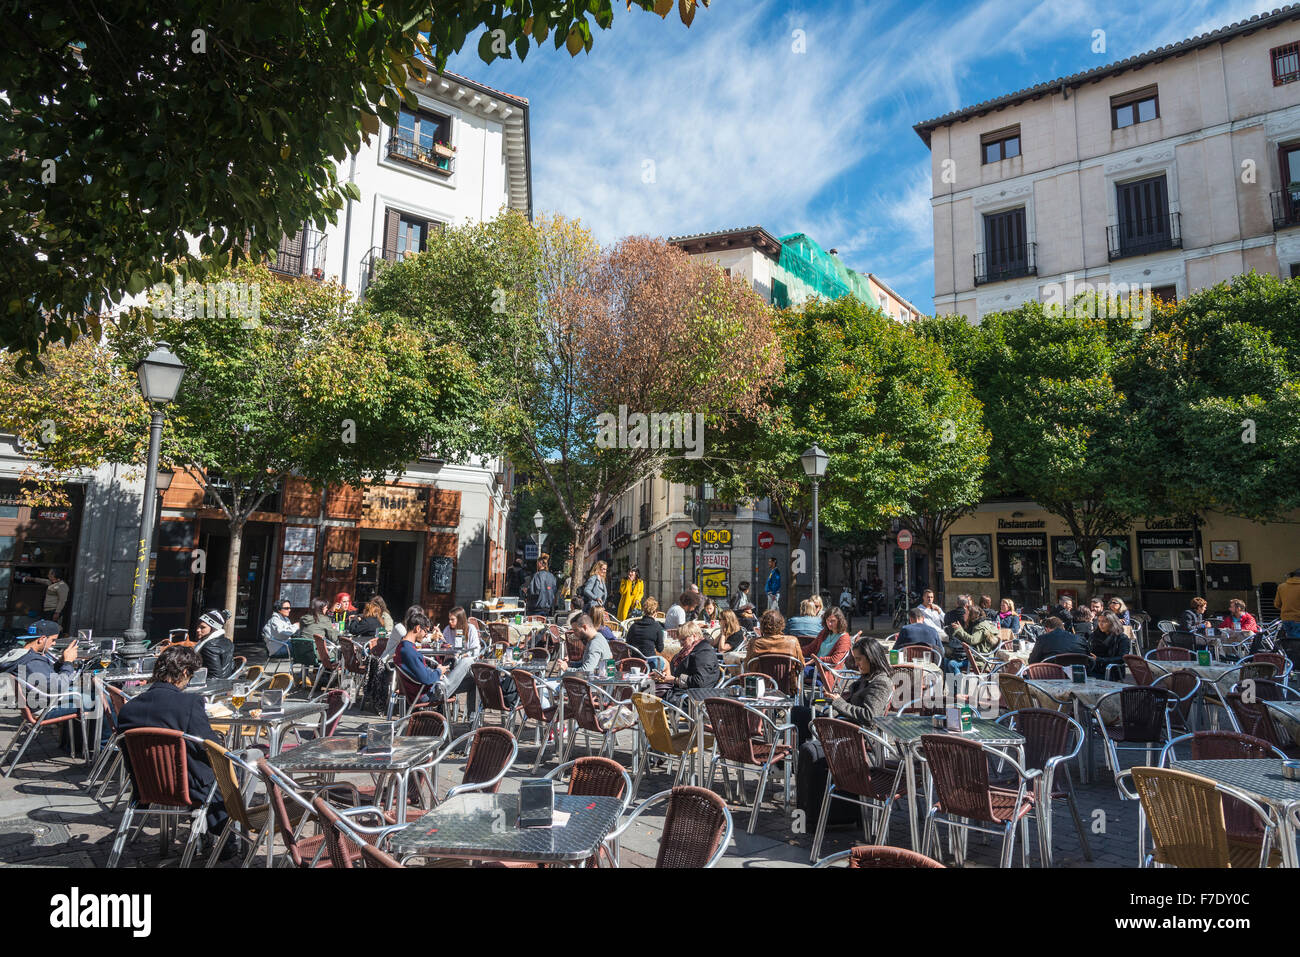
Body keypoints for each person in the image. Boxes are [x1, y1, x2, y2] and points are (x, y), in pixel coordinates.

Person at [115, 645, 229, 846]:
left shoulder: (128, 709)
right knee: (231, 771)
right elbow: (211, 746)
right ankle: (226, 840)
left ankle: (209, 835)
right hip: (186, 786)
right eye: (190, 675)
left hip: (145, 786)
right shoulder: (189, 703)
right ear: (185, 672)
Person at [0, 620, 81, 720]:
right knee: (99, 700)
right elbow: (59, 687)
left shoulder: (21, 656)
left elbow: (45, 677)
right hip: (46, 708)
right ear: (42, 639)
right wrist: (68, 662)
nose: (54, 643)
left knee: (87, 694)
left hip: (39, 703)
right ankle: (101, 736)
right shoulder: (32, 661)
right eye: (53, 640)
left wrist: (61, 662)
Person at [393, 612, 475, 708]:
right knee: (467, 661)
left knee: (474, 681)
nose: (426, 635)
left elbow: (420, 673)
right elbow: (426, 679)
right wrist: (439, 671)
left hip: (429, 689)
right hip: (430, 694)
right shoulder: (409, 651)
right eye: (426, 631)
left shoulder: (403, 646)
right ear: (418, 628)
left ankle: (472, 721)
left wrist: (437, 672)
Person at [653, 621, 719, 694]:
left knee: (649, 694)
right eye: (679, 640)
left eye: (683, 640)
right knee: (648, 688)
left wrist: (675, 680)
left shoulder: (704, 652)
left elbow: (700, 682)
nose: (681, 644)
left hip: (692, 696)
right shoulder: (690, 650)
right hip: (681, 691)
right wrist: (665, 676)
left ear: (694, 636)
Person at [946, 602, 999, 673]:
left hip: (980, 660)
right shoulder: (976, 624)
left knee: (952, 664)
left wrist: (960, 630)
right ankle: (953, 684)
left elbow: (973, 640)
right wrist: (959, 630)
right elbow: (968, 639)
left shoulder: (980, 626)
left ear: (971, 615)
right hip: (975, 657)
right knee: (946, 660)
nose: (963, 615)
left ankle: (959, 683)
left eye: (965, 613)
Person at [624, 597, 667, 670]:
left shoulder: (634, 626)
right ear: (655, 613)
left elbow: (628, 644)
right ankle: (662, 681)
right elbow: (660, 649)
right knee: (667, 664)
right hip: (649, 662)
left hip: (635, 662)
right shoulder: (657, 627)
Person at [193, 609, 235, 679]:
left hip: (213, 686)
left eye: (202, 627)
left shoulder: (209, 647)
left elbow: (215, 677)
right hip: (227, 681)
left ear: (214, 628)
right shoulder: (227, 641)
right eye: (197, 626)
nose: (198, 630)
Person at [526, 553, 558, 618]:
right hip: (547, 607)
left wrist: (527, 591)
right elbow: (554, 591)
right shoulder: (552, 576)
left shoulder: (537, 575)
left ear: (539, 564)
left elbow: (534, 591)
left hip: (536, 607)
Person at [1275, 568, 1300, 640]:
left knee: (1291, 642)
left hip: (1286, 619)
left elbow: (1277, 604)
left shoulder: (1282, 586)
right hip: (1298, 619)